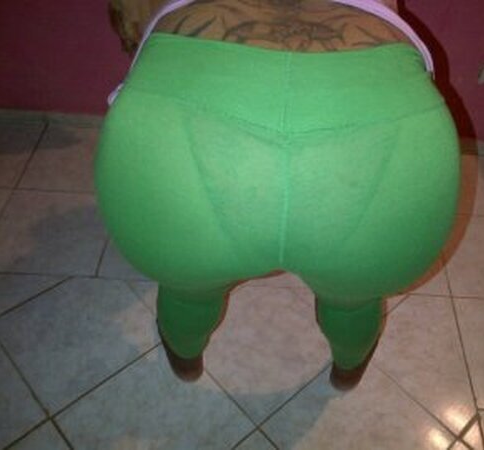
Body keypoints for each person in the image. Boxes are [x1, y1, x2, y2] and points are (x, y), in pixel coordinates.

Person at [96, 0, 460, 390]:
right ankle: (346, 375)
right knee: (355, 302)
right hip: (385, 133)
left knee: (186, 293)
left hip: (180, 117)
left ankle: (186, 366)